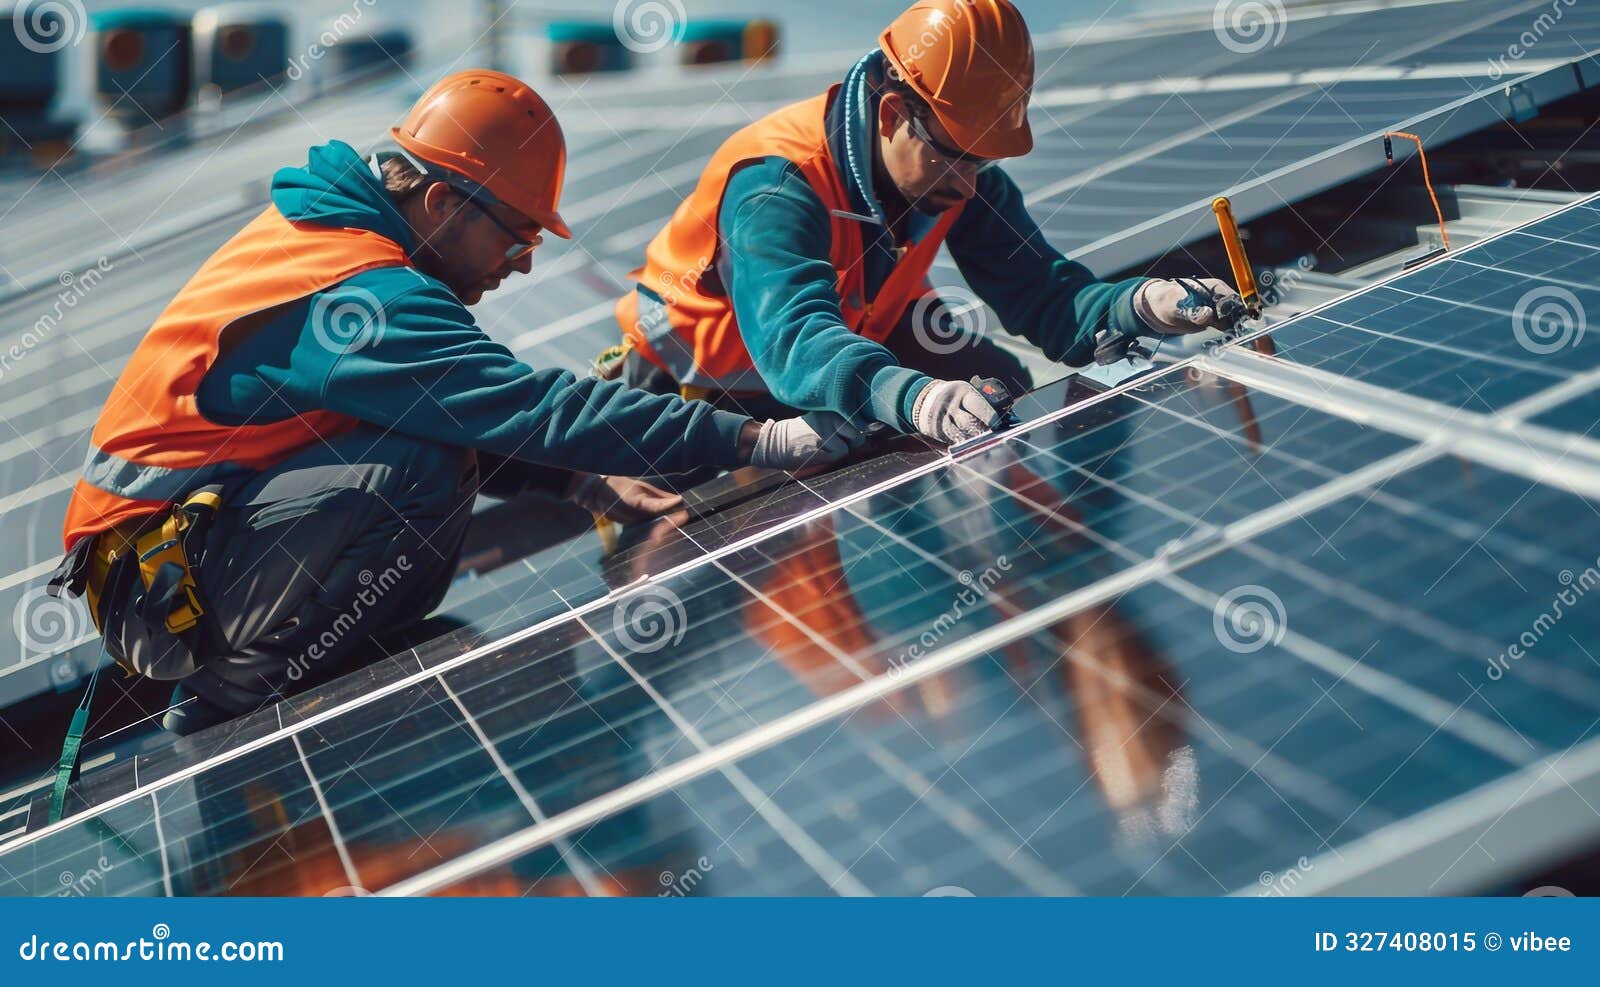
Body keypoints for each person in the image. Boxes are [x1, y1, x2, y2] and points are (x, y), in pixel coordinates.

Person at [51, 70, 858, 735]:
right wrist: (761, 441)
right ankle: (233, 694)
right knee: (423, 465)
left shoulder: (339, 239)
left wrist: (576, 484)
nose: (523, 265)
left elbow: (457, 405)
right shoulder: (357, 289)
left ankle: (279, 650)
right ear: (441, 205)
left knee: (433, 444)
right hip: (163, 596)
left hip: (189, 558)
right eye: (517, 237)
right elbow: (529, 407)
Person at [613, 0, 1241, 443]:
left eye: (982, 161)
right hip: (697, 381)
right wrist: (912, 398)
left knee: (998, 386)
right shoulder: (778, 185)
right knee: (700, 526)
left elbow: (1044, 292)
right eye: (956, 157)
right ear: (891, 116)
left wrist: (1142, 303)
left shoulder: (958, 175)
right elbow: (795, 341)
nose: (969, 185)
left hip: (855, 329)